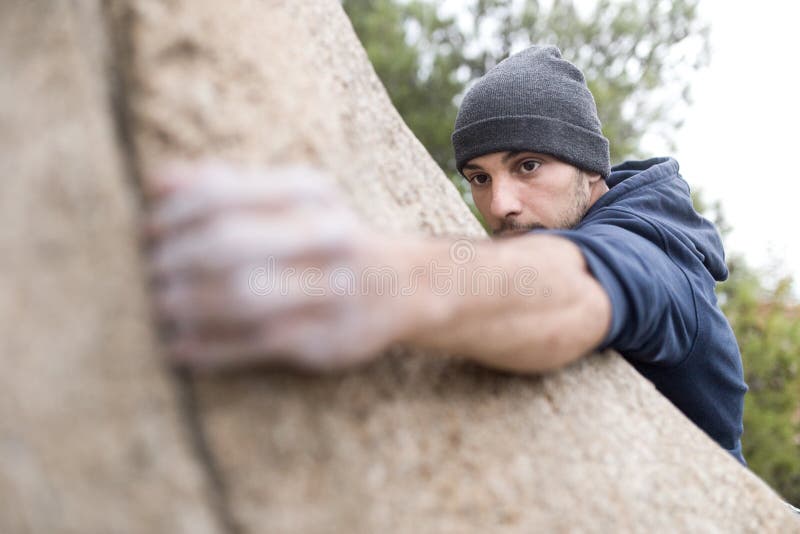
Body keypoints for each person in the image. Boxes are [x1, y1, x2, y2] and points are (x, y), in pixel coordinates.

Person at [147, 45, 747, 464]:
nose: (501, 204)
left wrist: (376, 280)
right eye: (478, 177)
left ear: (591, 169)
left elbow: (573, 287)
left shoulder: (657, 253)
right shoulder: (564, 219)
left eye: (528, 166)